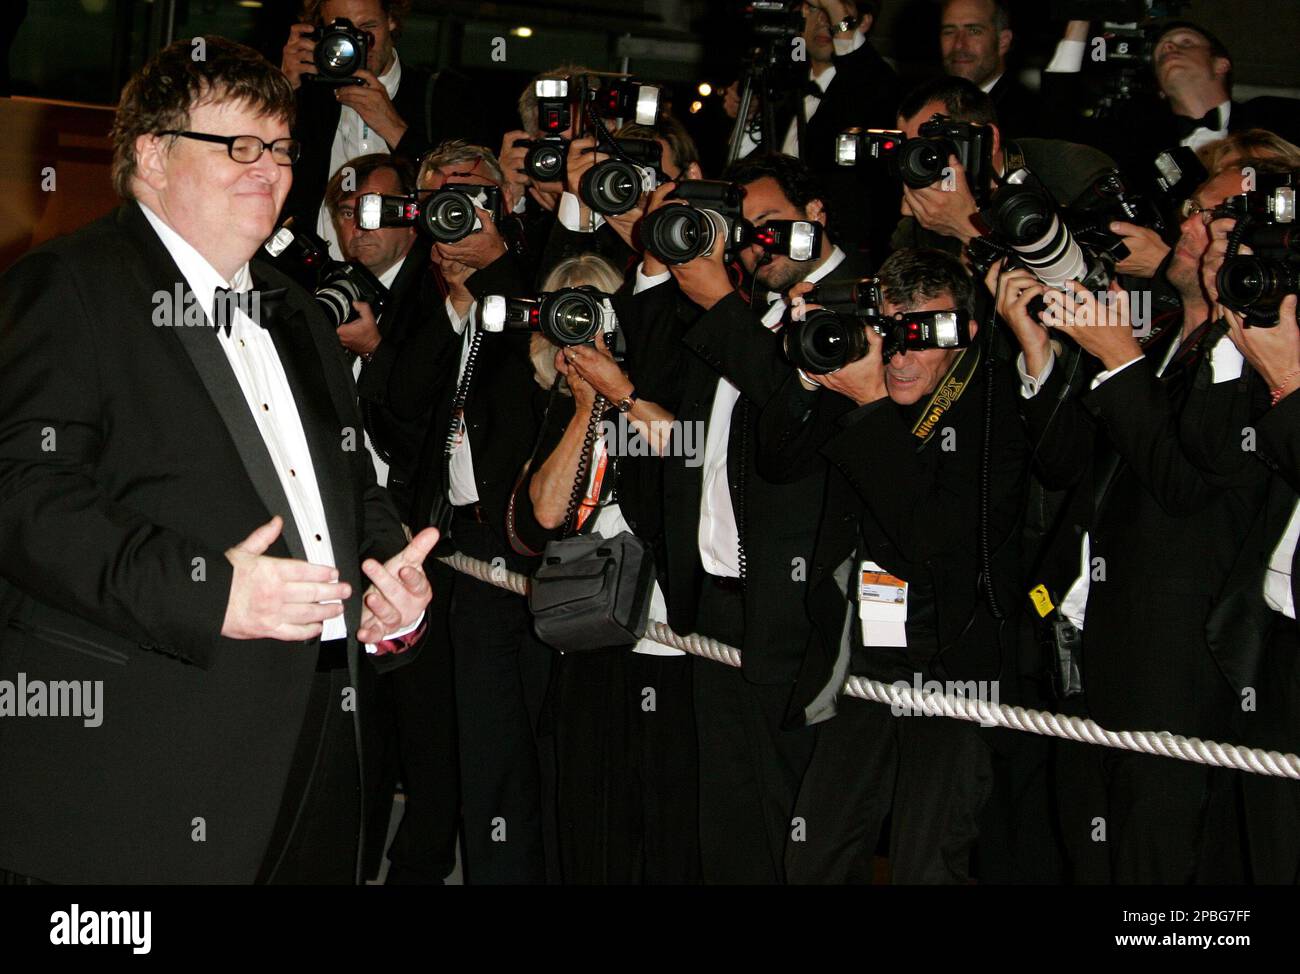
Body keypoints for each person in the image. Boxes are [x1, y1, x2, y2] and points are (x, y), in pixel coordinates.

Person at [0, 36, 436, 884]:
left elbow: (346, 486)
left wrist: (392, 586)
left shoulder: (299, 314)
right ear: (153, 157)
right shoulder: (70, 284)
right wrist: (207, 589)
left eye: (278, 148)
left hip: (317, 745)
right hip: (142, 751)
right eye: (236, 145)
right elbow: (21, 495)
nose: (266, 168)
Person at [994, 142, 1290, 879]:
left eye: (1219, 220)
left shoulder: (1267, 356)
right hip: (1091, 645)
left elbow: (1191, 485)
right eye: (1192, 212)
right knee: (1087, 851)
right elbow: (1067, 464)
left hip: (1182, 667)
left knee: (1161, 876)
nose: (1189, 229)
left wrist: (1118, 360)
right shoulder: (1157, 332)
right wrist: (1040, 353)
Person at [621, 152, 871, 883]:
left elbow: (800, 422)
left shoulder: (860, 302)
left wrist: (719, 306)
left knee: (799, 828)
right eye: (746, 230)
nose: (759, 243)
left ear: (817, 215)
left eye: (774, 226)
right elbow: (664, 379)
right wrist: (664, 259)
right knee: (728, 822)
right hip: (719, 603)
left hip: (802, 615)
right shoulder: (750, 308)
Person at [758, 248, 1027, 883]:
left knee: (924, 865)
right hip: (872, 656)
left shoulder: (991, 404)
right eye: (890, 332)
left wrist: (873, 402)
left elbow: (926, 534)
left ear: (962, 334)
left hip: (956, 667)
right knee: (815, 856)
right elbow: (776, 459)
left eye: (921, 336)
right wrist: (809, 364)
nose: (900, 355)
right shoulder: (864, 379)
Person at [507, 254, 700, 884]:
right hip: (586, 635)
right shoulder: (559, 409)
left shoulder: (662, 386)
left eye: (593, 312)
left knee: (666, 818)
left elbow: (691, 450)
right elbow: (543, 515)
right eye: (566, 317)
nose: (582, 331)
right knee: (589, 813)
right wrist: (588, 406)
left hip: (671, 643)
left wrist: (621, 394)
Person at [404, 141, 555, 884]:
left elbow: (539, 388)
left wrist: (495, 268)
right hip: (458, 546)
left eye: (473, 193)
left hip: (528, 549)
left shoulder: (532, 273)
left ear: (505, 200)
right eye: (442, 196)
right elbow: (397, 406)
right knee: (480, 752)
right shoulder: (424, 292)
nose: (458, 210)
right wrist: (446, 299)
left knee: (527, 754)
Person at [279, 0, 477, 259]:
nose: (358, 42)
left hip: (412, 284)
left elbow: (468, 196)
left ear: (391, 21)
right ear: (319, 32)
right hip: (310, 279)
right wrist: (281, 88)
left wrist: (394, 128)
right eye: (342, 31)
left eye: (368, 28)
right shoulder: (303, 97)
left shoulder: (444, 96)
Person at [1043, 19, 1300, 180]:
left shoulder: (1274, 117)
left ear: (1221, 65)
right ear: (1160, 89)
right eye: (1161, 51)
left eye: (1186, 42)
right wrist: (1079, 19)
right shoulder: (1137, 140)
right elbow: (1059, 124)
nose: (1170, 48)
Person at [937, 0, 1046, 138]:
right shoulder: (927, 104)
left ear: (1003, 42)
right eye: (949, 32)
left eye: (974, 31)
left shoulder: (1031, 115)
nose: (958, 45)